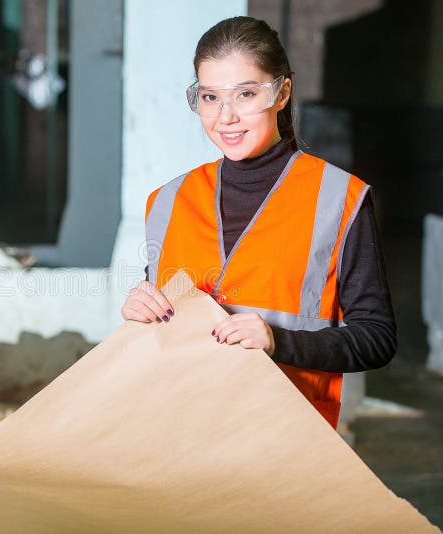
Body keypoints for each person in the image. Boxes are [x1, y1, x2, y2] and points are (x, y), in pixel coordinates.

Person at [120, 16, 396, 429]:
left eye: (246, 93)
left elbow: (376, 338)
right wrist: (140, 314)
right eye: (210, 97)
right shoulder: (167, 201)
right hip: (178, 432)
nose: (225, 116)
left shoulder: (339, 199)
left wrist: (278, 341)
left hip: (284, 438)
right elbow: (164, 327)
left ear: (282, 93)